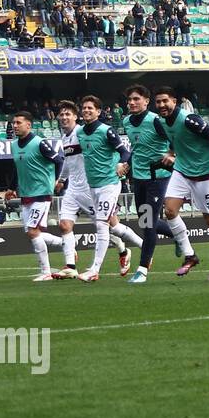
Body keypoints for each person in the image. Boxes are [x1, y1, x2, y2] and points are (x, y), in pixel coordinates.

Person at [156, 86, 209, 280]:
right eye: (159, 102)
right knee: (169, 210)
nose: (162, 105)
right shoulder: (162, 122)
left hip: (204, 172)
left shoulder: (189, 119)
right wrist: (170, 152)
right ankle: (189, 255)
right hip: (182, 170)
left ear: (174, 102)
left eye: (165, 101)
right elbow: (175, 139)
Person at [65, 95, 141, 282]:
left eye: (91, 108)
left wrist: (122, 165)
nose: (87, 111)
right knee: (113, 225)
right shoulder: (80, 133)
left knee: (102, 225)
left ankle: (94, 269)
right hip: (92, 186)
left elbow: (125, 152)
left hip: (110, 184)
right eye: (84, 108)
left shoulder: (107, 131)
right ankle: (144, 245)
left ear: (98, 112)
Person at [122, 84, 181, 284]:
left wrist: (171, 154)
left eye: (136, 99)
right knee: (145, 221)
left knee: (148, 224)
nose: (132, 103)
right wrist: (127, 165)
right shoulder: (127, 122)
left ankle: (142, 270)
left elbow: (175, 140)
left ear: (146, 102)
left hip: (158, 176)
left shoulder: (156, 121)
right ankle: (179, 235)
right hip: (138, 178)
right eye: (129, 100)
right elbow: (137, 149)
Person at [6, 110, 65, 282]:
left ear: (28, 125)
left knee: (33, 232)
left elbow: (59, 160)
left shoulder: (40, 143)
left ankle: (46, 272)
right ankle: (67, 244)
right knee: (33, 233)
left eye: (18, 123)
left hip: (42, 192)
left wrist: (57, 181)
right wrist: (11, 188)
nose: (15, 126)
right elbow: (18, 169)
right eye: (13, 123)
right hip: (26, 193)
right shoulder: (14, 145)